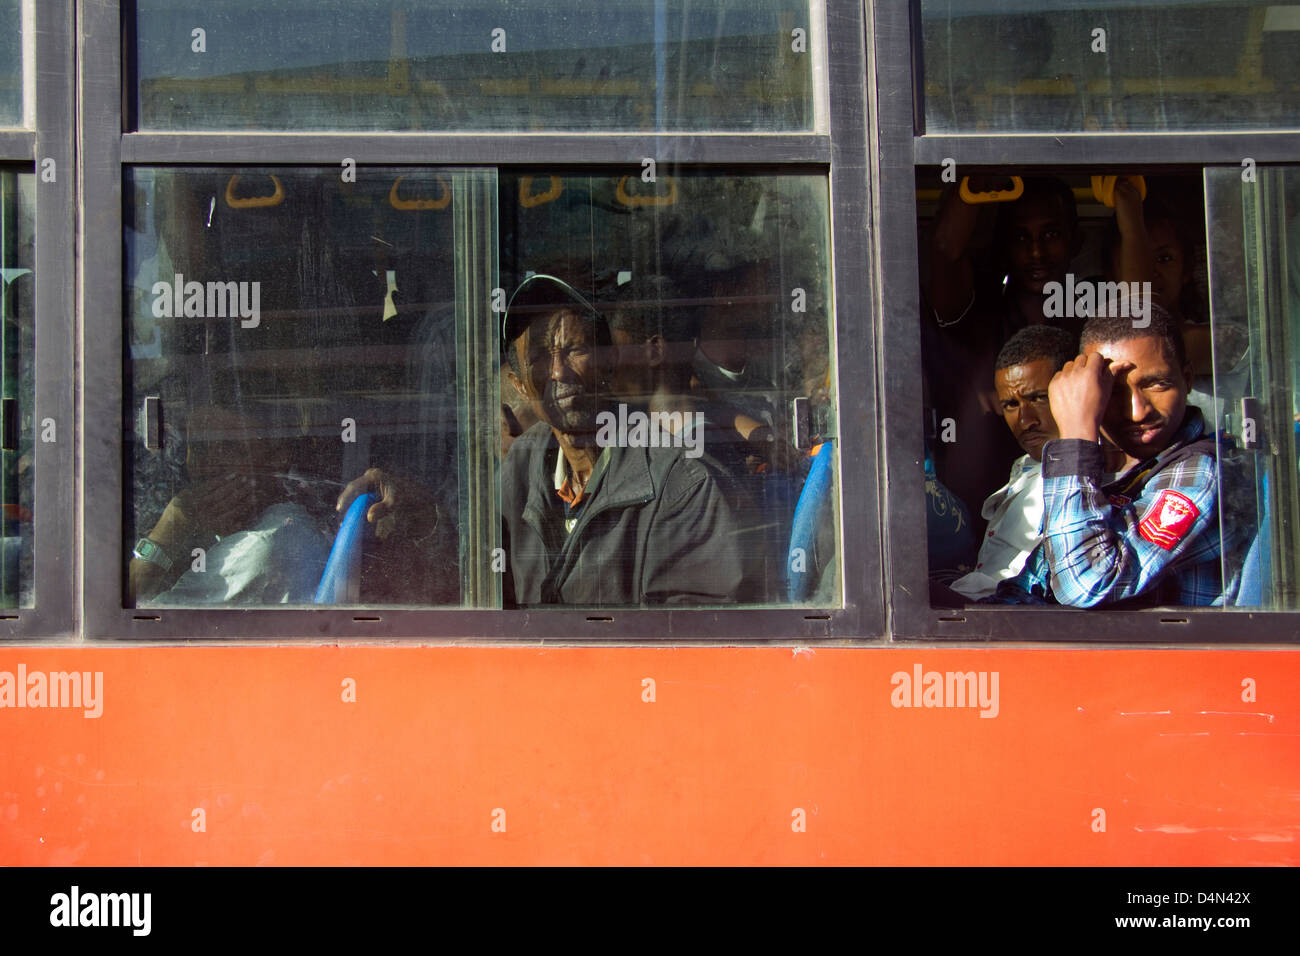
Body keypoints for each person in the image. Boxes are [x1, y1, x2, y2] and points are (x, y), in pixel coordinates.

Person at [499, 273, 757, 606]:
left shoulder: (681, 482)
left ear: (607, 362)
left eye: (574, 350)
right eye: (539, 359)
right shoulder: (517, 471)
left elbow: (692, 638)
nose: (559, 372)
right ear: (519, 386)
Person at [990, 304, 1253, 607]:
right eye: (1114, 392)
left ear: (1187, 379)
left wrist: (1076, 431)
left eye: (1157, 384)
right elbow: (1029, 590)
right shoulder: (1115, 473)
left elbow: (1084, 584)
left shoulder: (1201, 472)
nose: (1138, 411)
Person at [946, 325, 1080, 601]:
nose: (1025, 420)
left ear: (1073, 390)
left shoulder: (1085, 478)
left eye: (1037, 398)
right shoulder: (1027, 464)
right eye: (1010, 405)